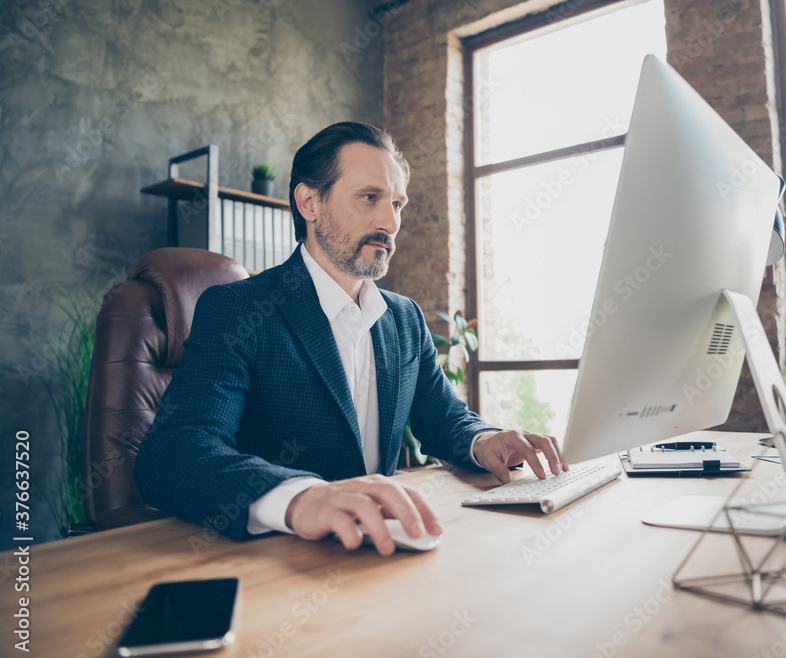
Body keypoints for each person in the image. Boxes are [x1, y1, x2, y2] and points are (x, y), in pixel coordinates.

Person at [134, 122, 567, 555]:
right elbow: (174, 452)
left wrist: (484, 439)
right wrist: (299, 497)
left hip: (383, 551)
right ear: (309, 203)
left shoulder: (403, 317)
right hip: (279, 561)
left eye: (398, 203)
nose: (390, 222)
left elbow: (442, 418)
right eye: (369, 198)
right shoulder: (240, 310)